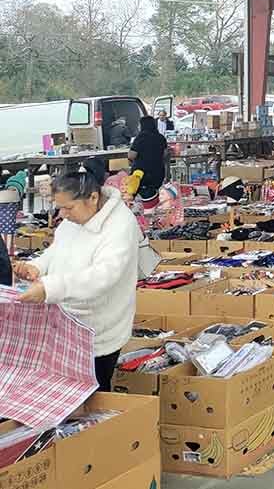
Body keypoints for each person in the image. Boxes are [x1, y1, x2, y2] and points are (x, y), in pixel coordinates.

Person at [13, 158, 139, 391]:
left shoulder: (120, 225)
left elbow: (103, 275)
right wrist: (37, 267)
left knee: (92, 395)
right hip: (65, 320)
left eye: (69, 208)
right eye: (60, 207)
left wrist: (50, 288)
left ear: (93, 197)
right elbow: (57, 250)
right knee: (64, 392)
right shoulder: (72, 220)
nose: (63, 214)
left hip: (100, 327)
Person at [128, 116, 168, 208]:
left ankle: (142, 213)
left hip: (141, 174)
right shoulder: (161, 138)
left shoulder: (140, 138)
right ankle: (153, 209)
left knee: (139, 198)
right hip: (158, 173)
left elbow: (131, 155)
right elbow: (165, 154)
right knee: (154, 196)